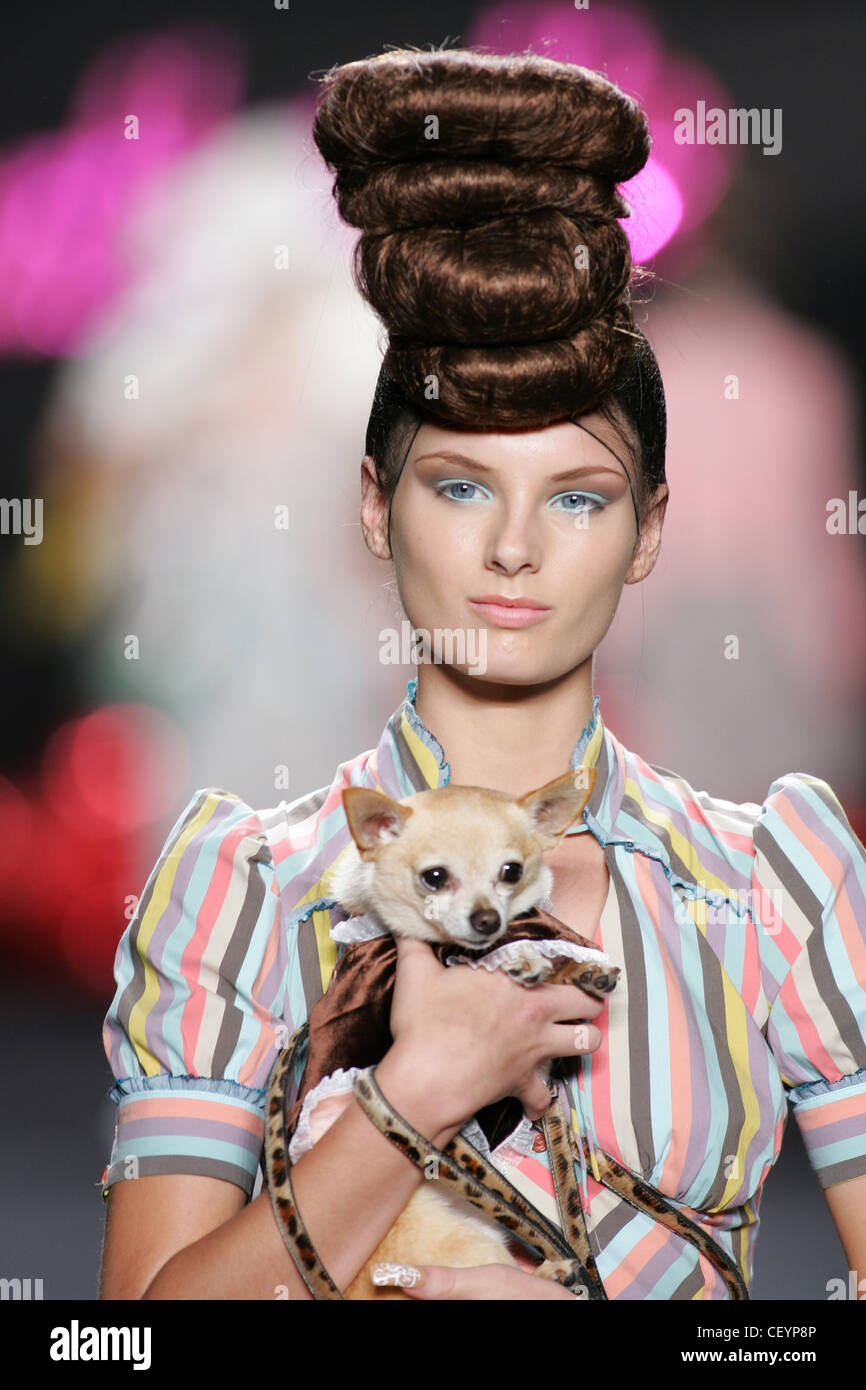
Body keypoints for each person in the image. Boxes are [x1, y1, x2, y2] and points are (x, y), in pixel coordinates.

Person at [97, 47, 866, 1302]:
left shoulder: (773, 878)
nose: (513, 547)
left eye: (577, 495)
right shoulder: (236, 886)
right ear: (374, 507)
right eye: (458, 486)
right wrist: (414, 1093)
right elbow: (104, 1346)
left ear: (649, 528)